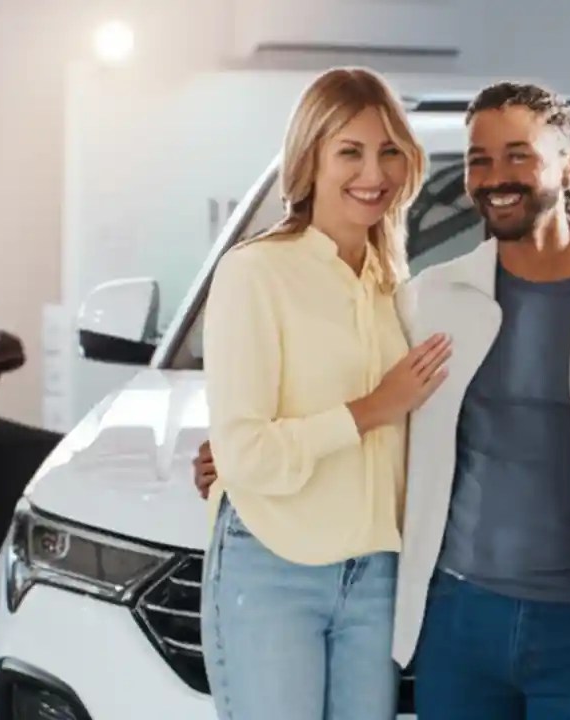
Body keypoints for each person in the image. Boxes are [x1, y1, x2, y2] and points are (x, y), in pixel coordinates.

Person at [196, 81, 570, 720]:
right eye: (479, 160)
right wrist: (233, 451)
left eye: (519, 154)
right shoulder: (432, 297)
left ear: (569, 162)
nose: (497, 176)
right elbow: (384, 408)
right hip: (456, 622)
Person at [198, 67, 452, 720]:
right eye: (351, 151)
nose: (374, 173)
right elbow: (247, 451)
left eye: (389, 150)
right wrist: (374, 409)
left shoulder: (397, 292)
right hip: (273, 567)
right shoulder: (255, 272)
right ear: (309, 159)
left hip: (377, 579)